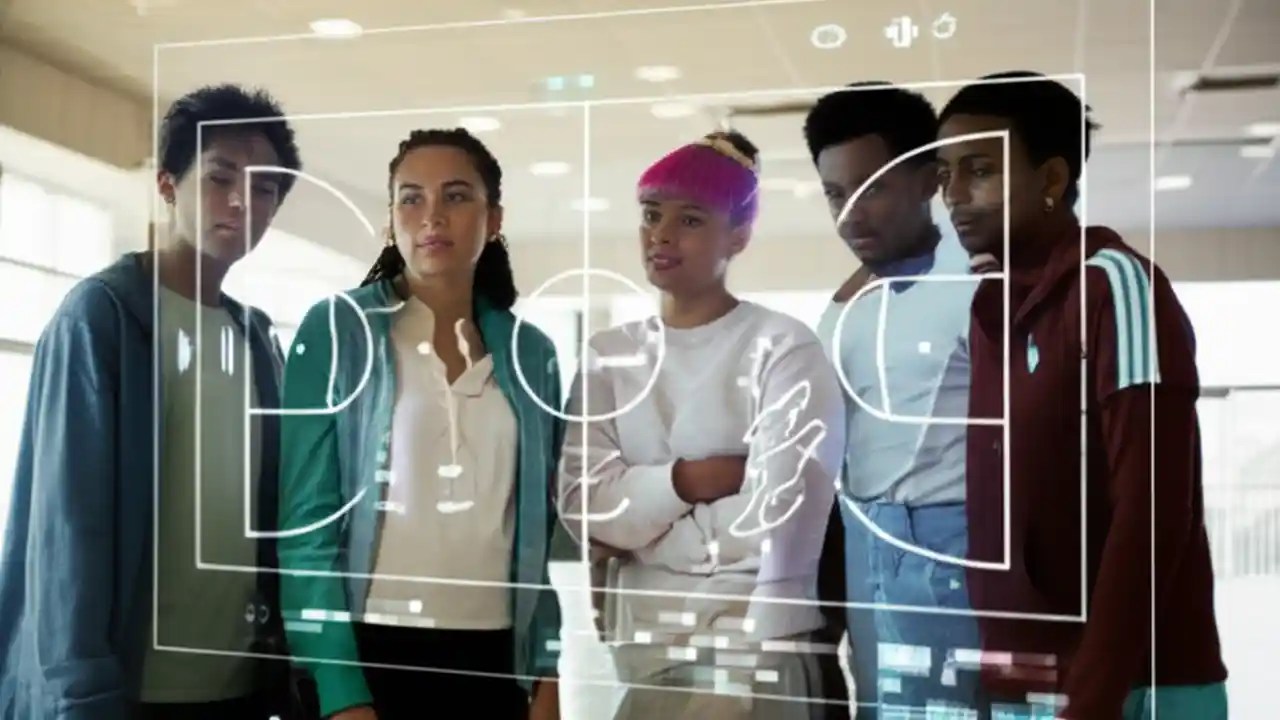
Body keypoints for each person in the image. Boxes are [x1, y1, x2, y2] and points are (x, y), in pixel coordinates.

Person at [0, 84, 304, 718]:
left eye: (268, 188)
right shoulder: (102, 316)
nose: (244, 201)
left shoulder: (256, 339)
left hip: (240, 688)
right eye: (221, 177)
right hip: (126, 695)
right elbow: (65, 528)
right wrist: (79, 697)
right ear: (168, 185)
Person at [936, 71, 1228, 719]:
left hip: (1132, 688)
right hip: (1022, 685)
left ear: (1050, 179)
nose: (953, 195)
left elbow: (1152, 514)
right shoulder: (992, 310)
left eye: (979, 170)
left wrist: (1093, 699)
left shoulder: (1116, 287)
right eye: (943, 174)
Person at [277, 128, 564, 720]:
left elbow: (538, 535)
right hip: (372, 653)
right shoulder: (337, 330)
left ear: (494, 218)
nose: (432, 216)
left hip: (495, 661)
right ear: (391, 219)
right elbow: (305, 528)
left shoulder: (532, 353)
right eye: (412, 198)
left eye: (456, 196)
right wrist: (339, 689)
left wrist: (547, 671)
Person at [558, 130, 847, 719]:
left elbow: (779, 518)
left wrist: (643, 535)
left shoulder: (783, 347)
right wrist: (693, 481)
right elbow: (582, 507)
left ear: (738, 234)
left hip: (754, 651)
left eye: (690, 219)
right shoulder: (609, 355)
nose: (661, 234)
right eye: (651, 214)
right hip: (645, 653)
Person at [804, 82, 984, 719]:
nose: (850, 214)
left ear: (930, 179)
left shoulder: (979, 279)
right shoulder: (851, 298)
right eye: (834, 193)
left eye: (870, 187)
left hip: (950, 549)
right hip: (866, 544)